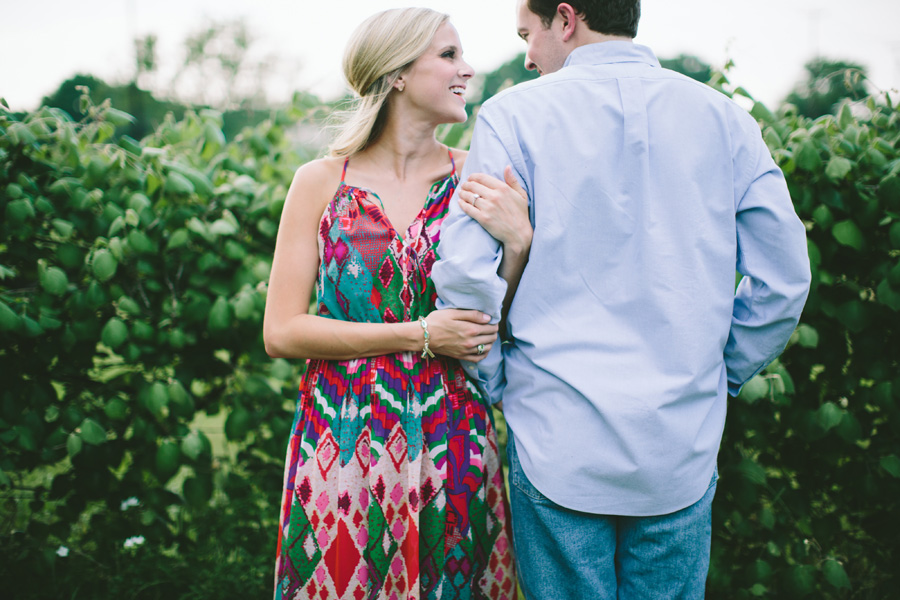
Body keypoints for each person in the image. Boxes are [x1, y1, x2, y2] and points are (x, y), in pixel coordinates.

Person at [432, 0, 812, 597]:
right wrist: (719, 375)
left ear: (566, 19)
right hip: (678, 445)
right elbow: (784, 280)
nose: (528, 56)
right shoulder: (724, 118)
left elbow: (465, 277)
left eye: (528, 34)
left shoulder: (511, 117)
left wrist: (502, 381)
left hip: (555, 435)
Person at [263, 8, 520, 600]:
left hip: (453, 437)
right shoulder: (320, 182)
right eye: (449, 56)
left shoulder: (474, 181)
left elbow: (497, 318)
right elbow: (281, 330)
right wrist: (418, 334)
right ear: (399, 73)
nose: (468, 69)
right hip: (342, 441)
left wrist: (520, 244)